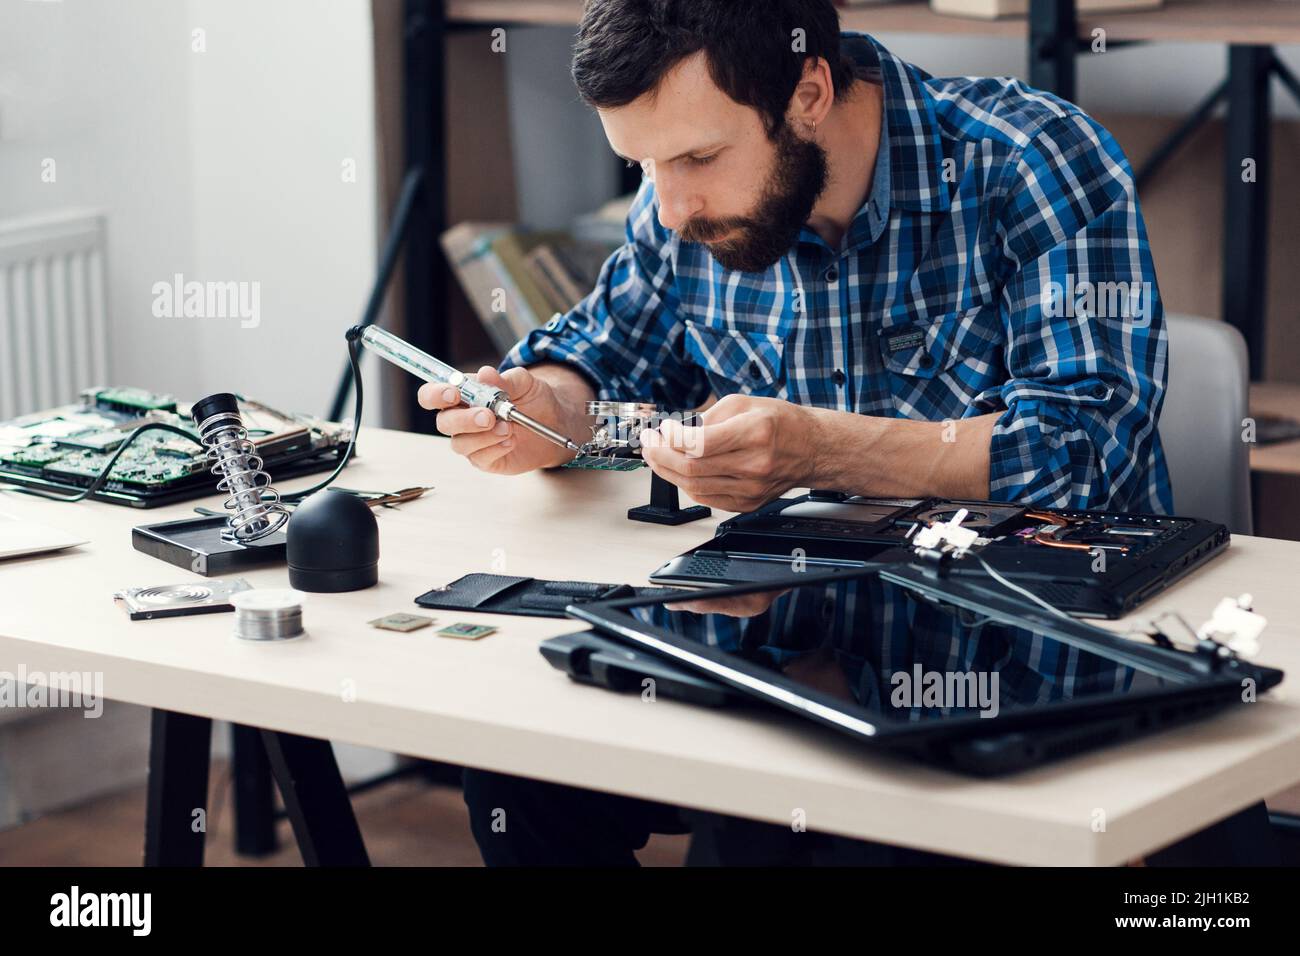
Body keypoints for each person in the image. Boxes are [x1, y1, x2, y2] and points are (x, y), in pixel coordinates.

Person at [413, 0, 1226, 867]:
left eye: (696, 156)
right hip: (780, 649)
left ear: (807, 92)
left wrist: (820, 450)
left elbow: (1081, 447)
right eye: (642, 164)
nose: (671, 205)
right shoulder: (680, 206)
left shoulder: (1028, 162)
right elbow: (598, 356)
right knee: (518, 772)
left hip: (999, 672)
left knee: (769, 840)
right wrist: (551, 410)